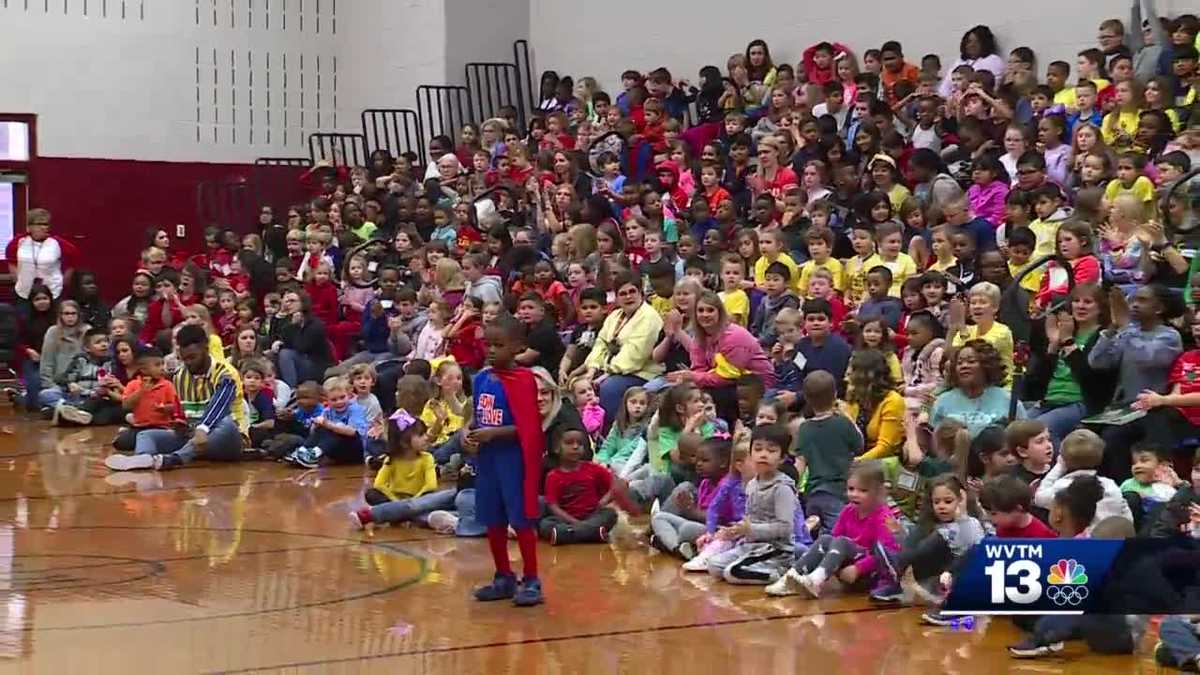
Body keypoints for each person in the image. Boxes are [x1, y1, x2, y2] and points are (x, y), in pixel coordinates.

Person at [467, 314, 546, 607]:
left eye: (498, 345)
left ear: (517, 347)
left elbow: (528, 428)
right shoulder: (481, 378)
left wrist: (493, 433)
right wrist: (468, 432)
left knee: (521, 519)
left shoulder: (524, 380)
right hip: (487, 461)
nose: (490, 351)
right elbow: (476, 416)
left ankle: (532, 578)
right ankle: (503, 576)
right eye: (487, 344)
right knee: (492, 518)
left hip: (513, 461)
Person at [104, 324, 247, 471]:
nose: (189, 363)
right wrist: (179, 423)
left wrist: (203, 429)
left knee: (226, 424)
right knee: (146, 435)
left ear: (205, 349)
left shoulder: (226, 374)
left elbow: (220, 406)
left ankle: (175, 459)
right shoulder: (180, 375)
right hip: (194, 437)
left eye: (192, 357)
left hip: (226, 440)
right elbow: (183, 412)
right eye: (184, 359)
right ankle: (144, 458)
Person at [767, 463, 897, 597]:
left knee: (841, 542)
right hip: (846, 570)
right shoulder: (848, 511)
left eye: (863, 491)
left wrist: (859, 568)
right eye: (851, 489)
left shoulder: (883, 517)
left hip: (868, 575)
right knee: (826, 539)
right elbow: (833, 540)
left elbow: (887, 555)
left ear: (878, 492)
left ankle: (815, 581)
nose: (854, 494)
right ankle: (789, 579)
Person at [706, 424, 807, 585]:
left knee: (732, 572)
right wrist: (736, 531)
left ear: (782, 458)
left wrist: (751, 529)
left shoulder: (782, 487)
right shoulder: (752, 484)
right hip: (752, 546)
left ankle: (782, 573)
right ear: (751, 453)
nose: (763, 455)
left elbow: (785, 527)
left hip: (775, 550)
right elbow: (751, 519)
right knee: (714, 565)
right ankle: (754, 567)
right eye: (758, 449)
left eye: (771, 451)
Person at [870, 475, 985, 604]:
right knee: (920, 532)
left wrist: (962, 513)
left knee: (940, 536)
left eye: (948, 501)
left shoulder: (971, 523)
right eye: (936, 502)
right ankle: (896, 575)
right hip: (934, 580)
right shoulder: (931, 526)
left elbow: (975, 552)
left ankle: (897, 565)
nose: (941, 506)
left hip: (962, 577)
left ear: (961, 499)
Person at [669, 290, 774, 427]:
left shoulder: (734, 336)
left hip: (753, 383)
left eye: (710, 310)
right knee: (676, 392)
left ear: (720, 313)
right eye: (700, 311)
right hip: (722, 380)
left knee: (715, 396)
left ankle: (722, 433)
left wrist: (693, 377)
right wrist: (688, 378)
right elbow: (699, 369)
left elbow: (728, 376)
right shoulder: (699, 337)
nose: (705, 315)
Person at [351, 410, 455, 530]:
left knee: (433, 498)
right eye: (421, 435)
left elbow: (430, 486)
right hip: (396, 499)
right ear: (404, 442)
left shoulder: (427, 458)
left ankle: (397, 516)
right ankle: (407, 516)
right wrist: (397, 502)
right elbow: (379, 484)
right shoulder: (391, 460)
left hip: (420, 499)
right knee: (372, 494)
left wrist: (414, 500)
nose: (426, 438)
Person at [582, 271, 664, 421]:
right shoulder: (614, 316)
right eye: (623, 293)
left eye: (632, 292)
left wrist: (606, 374)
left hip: (641, 372)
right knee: (580, 385)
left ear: (641, 293)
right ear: (617, 297)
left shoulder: (649, 317)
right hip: (611, 369)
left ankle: (610, 433)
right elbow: (601, 344)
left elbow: (634, 356)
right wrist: (592, 369)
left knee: (608, 388)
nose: (628, 297)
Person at [793, 371, 863, 532]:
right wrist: (847, 416)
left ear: (807, 399)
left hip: (813, 494)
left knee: (817, 535)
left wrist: (793, 489)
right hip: (838, 493)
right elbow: (860, 445)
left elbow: (800, 463)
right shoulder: (843, 423)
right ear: (835, 395)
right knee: (838, 534)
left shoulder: (804, 428)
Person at [540, 427, 635, 545]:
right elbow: (553, 506)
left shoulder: (592, 468)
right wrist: (574, 522)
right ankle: (591, 533)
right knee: (545, 524)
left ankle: (569, 535)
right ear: (557, 448)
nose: (575, 447)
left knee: (610, 514)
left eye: (579, 444)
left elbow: (620, 483)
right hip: (566, 519)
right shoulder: (553, 476)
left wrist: (603, 501)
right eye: (569, 443)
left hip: (592, 515)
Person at [929, 339, 1025, 439]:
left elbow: (1022, 438)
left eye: (971, 361)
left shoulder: (1008, 400)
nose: (964, 366)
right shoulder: (942, 402)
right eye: (959, 363)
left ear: (986, 365)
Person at [6, 208, 79, 304]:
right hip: (25, 294)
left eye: (46, 224)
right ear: (29, 226)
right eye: (39, 224)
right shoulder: (17, 242)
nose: (44, 227)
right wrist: (18, 279)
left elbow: (74, 259)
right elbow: (11, 261)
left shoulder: (57, 243)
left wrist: (64, 281)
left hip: (52, 294)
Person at [273, 289, 333, 388]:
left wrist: (293, 327)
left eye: (292, 301)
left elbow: (301, 347)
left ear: (303, 303)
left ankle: (290, 390)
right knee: (274, 355)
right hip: (299, 363)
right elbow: (280, 339)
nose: (288, 304)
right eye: (287, 301)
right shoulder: (290, 322)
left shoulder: (316, 324)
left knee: (285, 354)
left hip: (317, 366)